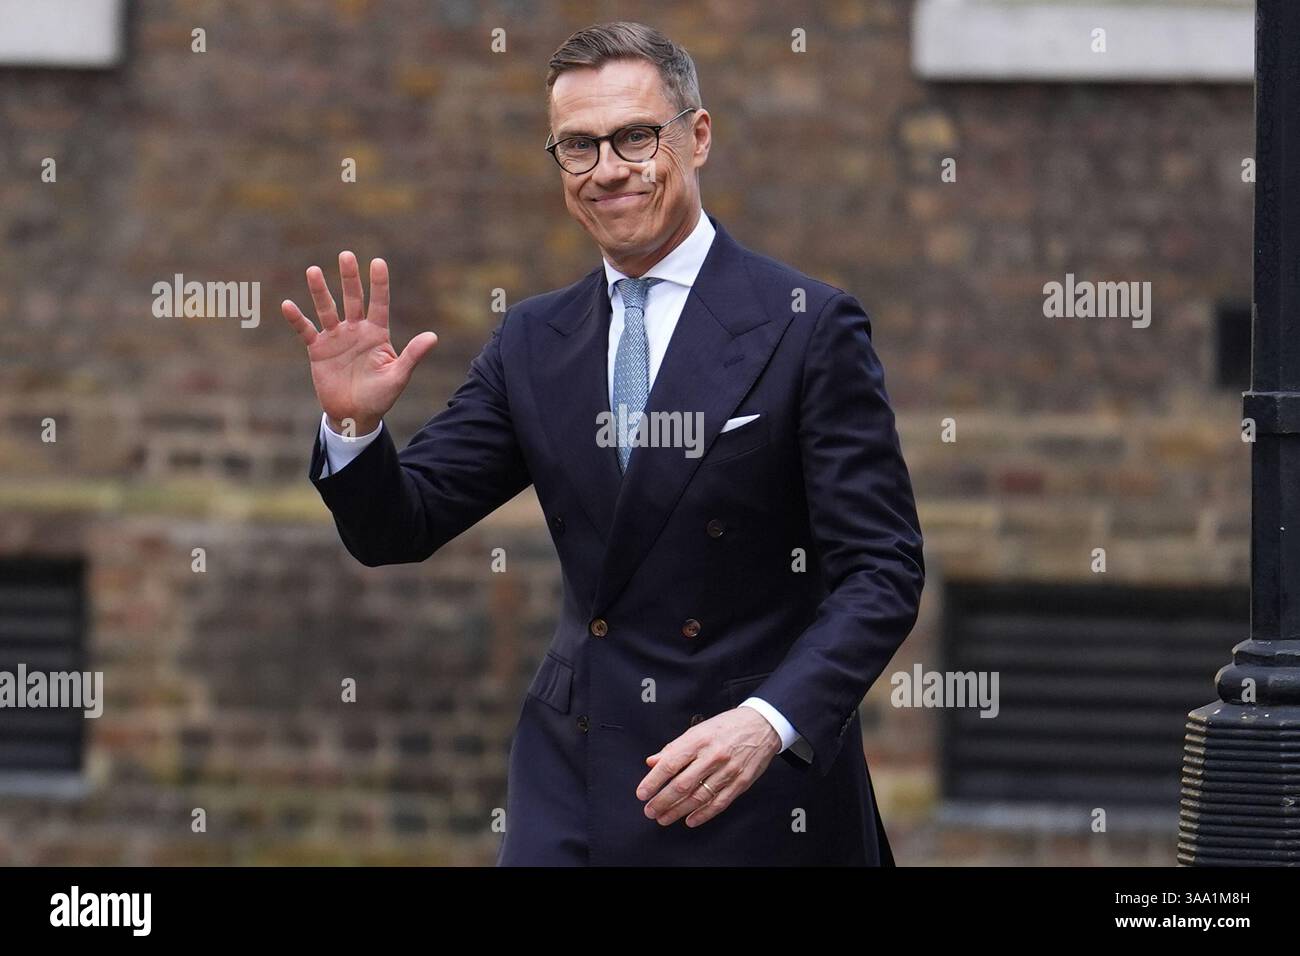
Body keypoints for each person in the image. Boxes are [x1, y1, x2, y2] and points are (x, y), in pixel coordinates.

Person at [279, 20, 924, 866]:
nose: (607, 170)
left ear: (696, 136)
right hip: (573, 778)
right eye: (577, 147)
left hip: (745, 780)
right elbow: (400, 527)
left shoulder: (808, 326)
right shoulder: (534, 340)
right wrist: (355, 427)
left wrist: (769, 722)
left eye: (634, 137)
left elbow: (881, 572)